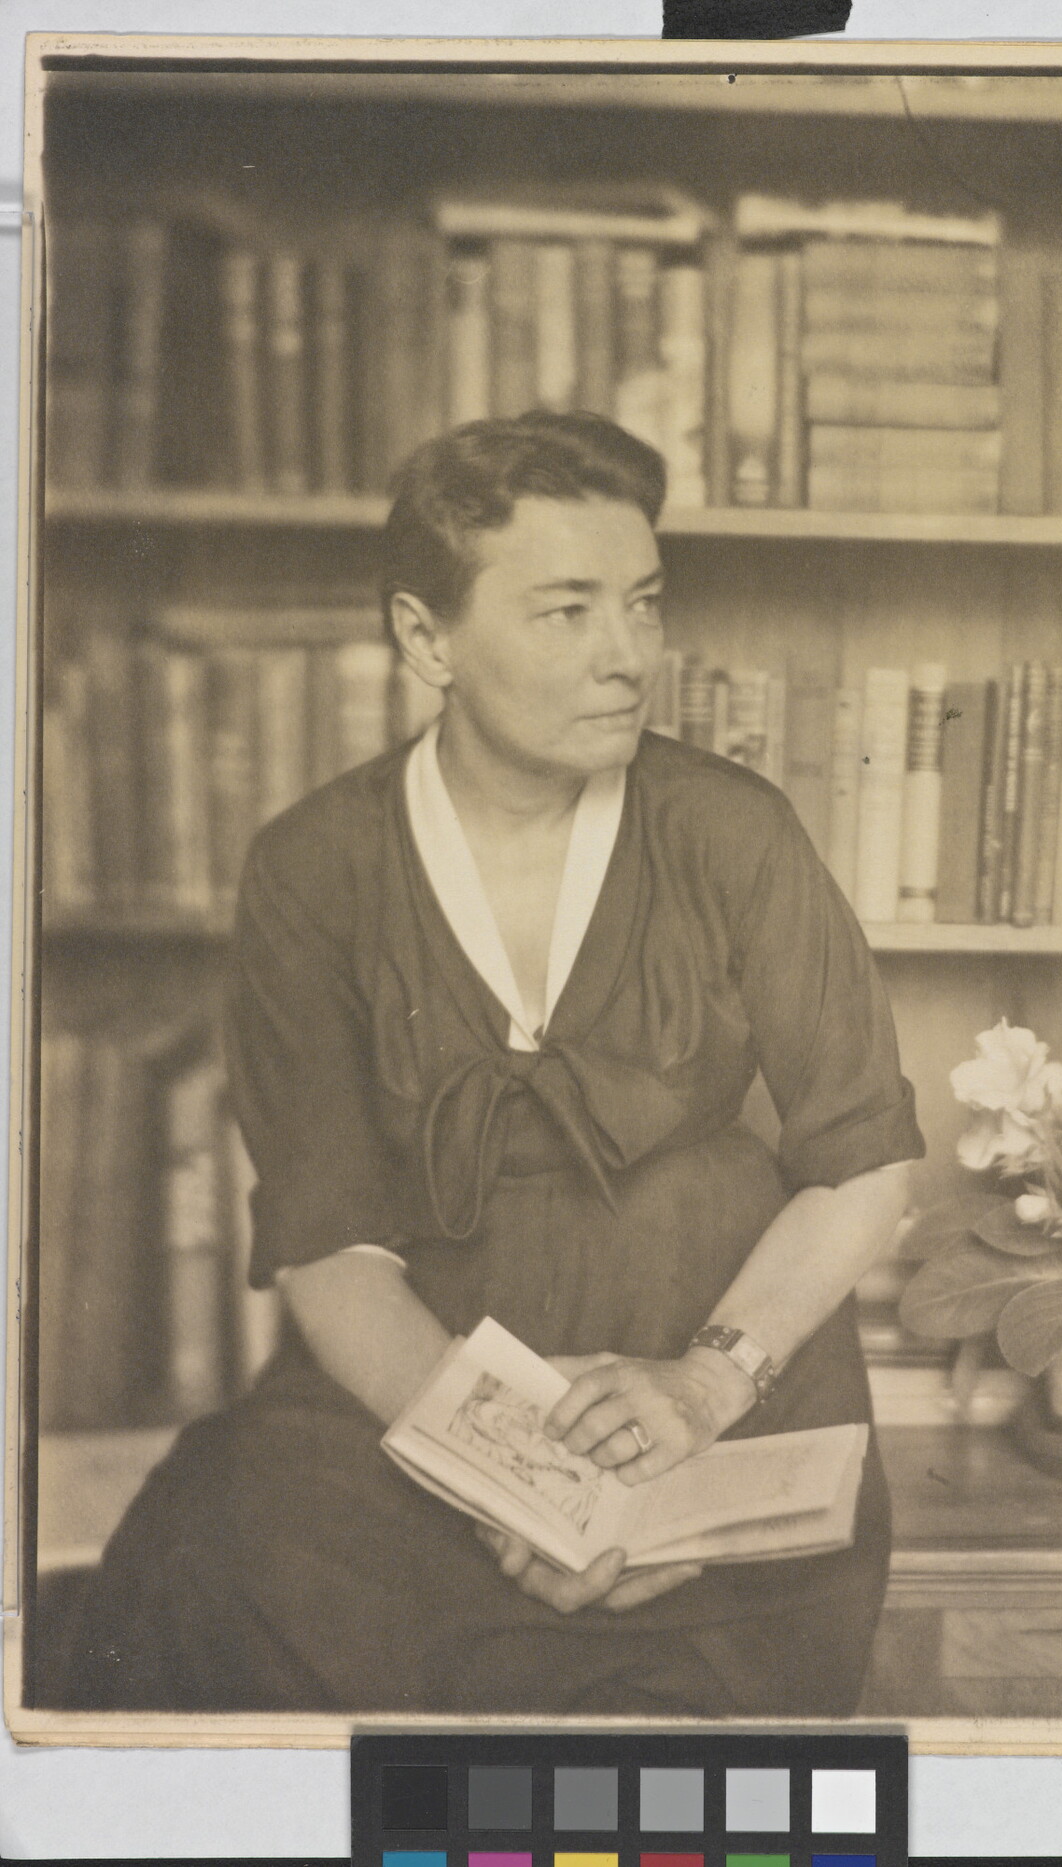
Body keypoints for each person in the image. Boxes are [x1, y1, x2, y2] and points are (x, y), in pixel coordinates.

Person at [62, 413, 924, 1715]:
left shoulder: (735, 831)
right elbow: (329, 1245)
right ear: (427, 639)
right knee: (218, 1558)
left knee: (683, 1743)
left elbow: (864, 1164)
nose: (628, 655)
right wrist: (502, 1471)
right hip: (418, 1383)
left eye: (643, 603)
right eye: (568, 612)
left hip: (724, 1366)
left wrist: (703, 1388)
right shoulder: (314, 867)